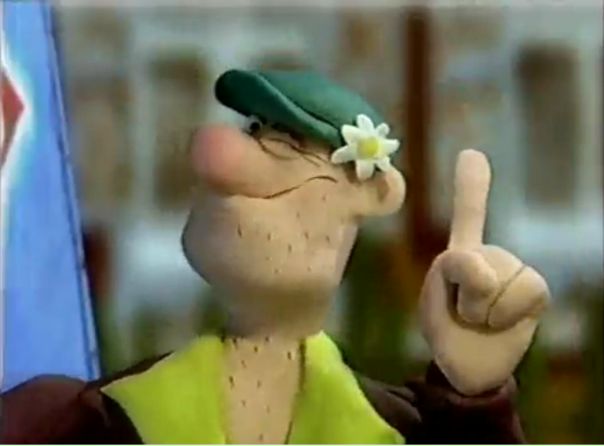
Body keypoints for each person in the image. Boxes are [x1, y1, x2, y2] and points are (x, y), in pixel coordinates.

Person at [1, 69, 550, 444]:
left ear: (371, 194)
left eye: (286, 146)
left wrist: (474, 403)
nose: (223, 164)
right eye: (254, 132)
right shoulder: (80, 420)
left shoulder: (404, 429)